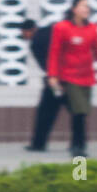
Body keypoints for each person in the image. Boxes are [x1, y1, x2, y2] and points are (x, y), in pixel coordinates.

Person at [47, 0, 97, 157]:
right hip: (70, 76)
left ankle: (74, 143)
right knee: (79, 111)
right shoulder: (61, 27)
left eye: (88, 6)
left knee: (82, 112)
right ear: (74, 9)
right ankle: (80, 147)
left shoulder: (92, 28)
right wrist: (53, 75)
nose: (87, 9)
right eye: (83, 6)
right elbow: (54, 52)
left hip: (87, 76)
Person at [16, 18, 61, 152]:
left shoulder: (36, 42)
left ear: (29, 31)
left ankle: (38, 144)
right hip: (68, 77)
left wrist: (53, 77)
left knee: (44, 113)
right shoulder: (51, 31)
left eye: (24, 33)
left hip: (55, 81)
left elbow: (46, 64)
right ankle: (78, 144)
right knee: (77, 114)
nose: (24, 36)